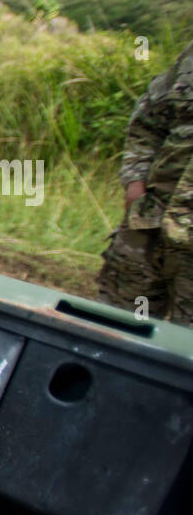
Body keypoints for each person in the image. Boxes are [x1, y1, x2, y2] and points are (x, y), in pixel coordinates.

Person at [97, 38, 193, 326]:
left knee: (183, 357)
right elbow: (150, 118)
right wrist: (135, 180)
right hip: (147, 227)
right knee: (114, 329)